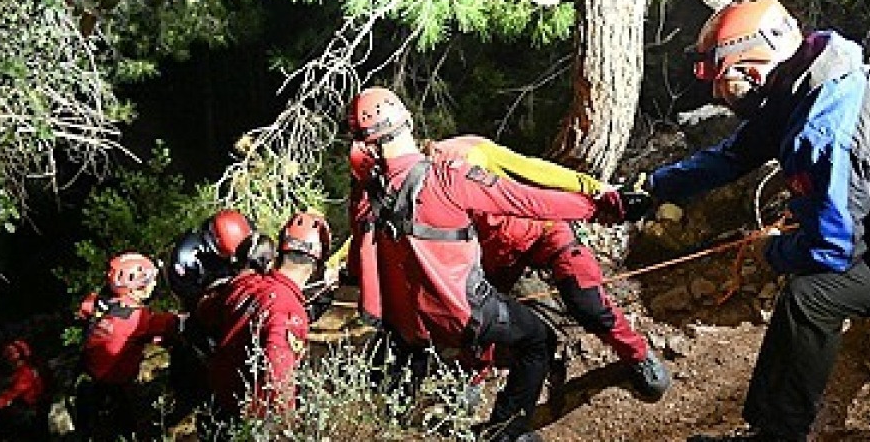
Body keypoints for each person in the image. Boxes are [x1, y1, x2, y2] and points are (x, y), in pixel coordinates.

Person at [646, 0, 870, 441]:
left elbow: (830, 251)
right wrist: (656, 187)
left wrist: (772, 250)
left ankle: (777, 434)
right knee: (835, 228)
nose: (716, 93)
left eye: (722, 80)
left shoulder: (822, 132)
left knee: (812, 296)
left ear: (752, 70)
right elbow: (736, 154)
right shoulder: (818, 75)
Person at [346, 86, 632, 442]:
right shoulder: (446, 176)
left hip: (407, 326)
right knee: (537, 340)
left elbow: (359, 264)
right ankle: (505, 433)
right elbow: (527, 201)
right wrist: (598, 204)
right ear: (405, 123)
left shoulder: (365, 197)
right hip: (460, 312)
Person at [351, 137, 670, 400]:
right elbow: (372, 235)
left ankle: (638, 355)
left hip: (542, 230)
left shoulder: (466, 153)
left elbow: (533, 172)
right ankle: (472, 379)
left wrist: (596, 192)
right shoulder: (400, 193)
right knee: (476, 316)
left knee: (586, 301)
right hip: (490, 256)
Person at [196, 211, 330, 433]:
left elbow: (206, 311)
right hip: (239, 422)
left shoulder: (246, 283)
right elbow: (278, 381)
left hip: (214, 405)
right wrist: (284, 428)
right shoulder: (288, 310)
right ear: (316, 263)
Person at [166, 209, 274, 420]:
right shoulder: (187, 255)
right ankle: (185, 398)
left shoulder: (246, 233)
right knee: (191, 345)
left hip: (228, 293)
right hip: (202, 298)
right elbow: (185, 293)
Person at [75, 252, 183, 440]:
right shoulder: (137, 318)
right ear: (136, 285)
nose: (154, 285)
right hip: (112, 387)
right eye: (150, 280)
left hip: (87, 378)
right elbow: (173, 325)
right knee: (124, 430)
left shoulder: (99, 303)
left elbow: (86, 311)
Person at [0, 338, 50, 440]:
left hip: (31, 415)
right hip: (34, 412)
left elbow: (14, 393)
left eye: (8, 356)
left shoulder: (25, 373)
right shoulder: (27, 370)